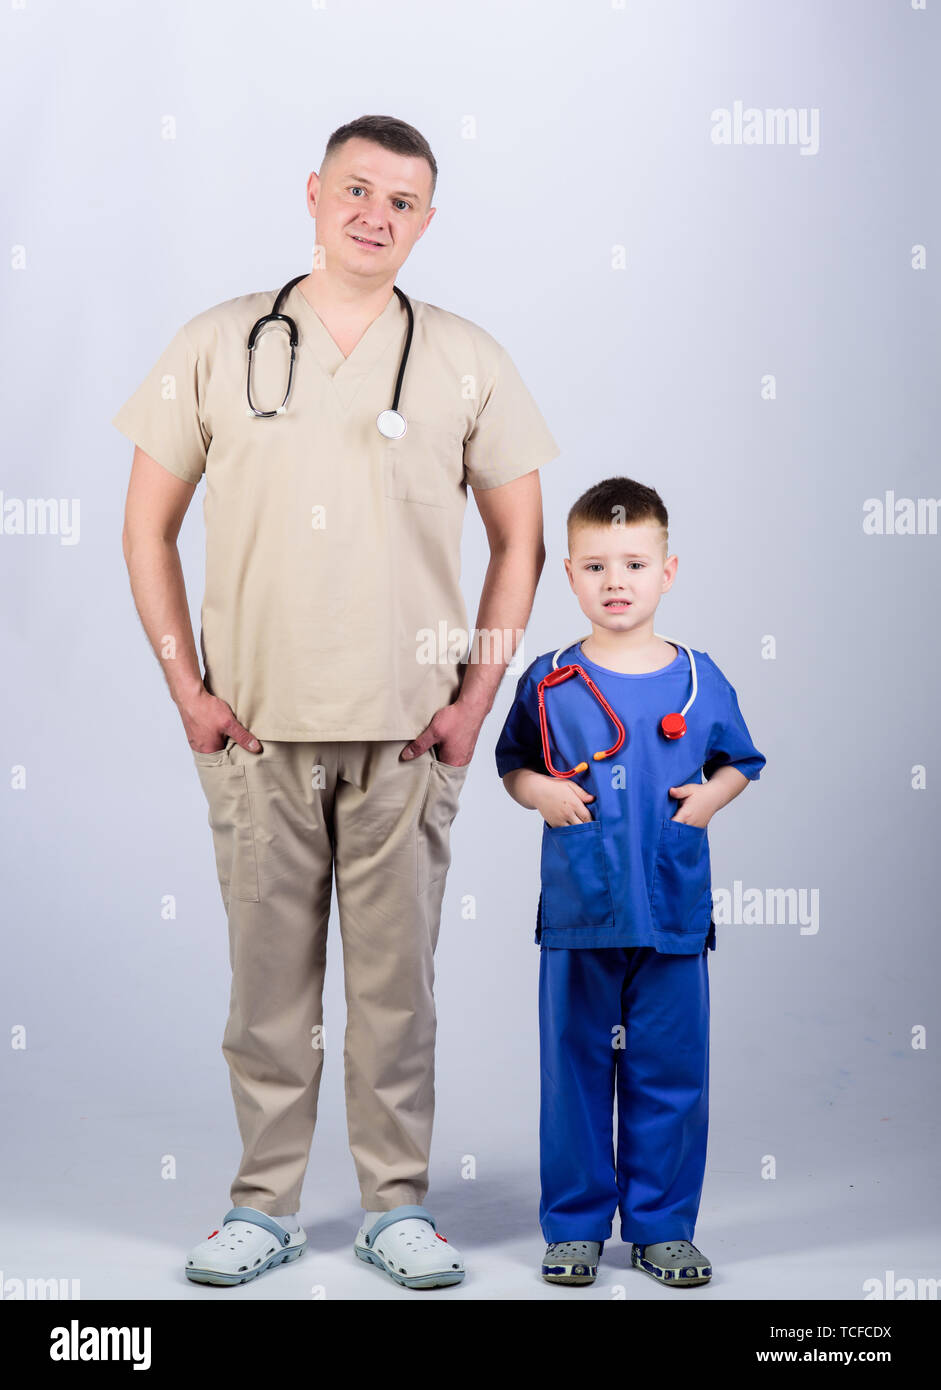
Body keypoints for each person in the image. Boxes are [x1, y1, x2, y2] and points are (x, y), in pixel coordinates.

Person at [113, 114, 559, 1289]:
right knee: (265, 986)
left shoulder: (465, 356)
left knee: (392, 991)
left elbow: (522, 541)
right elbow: (143, 527)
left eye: (401, 200)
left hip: (410, 736)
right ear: (312, 193)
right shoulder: (217, 342)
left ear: (424, 220)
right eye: (356, 189)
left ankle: (393, 1205)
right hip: (254, 727)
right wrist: (185, 690)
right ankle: (261, 1204)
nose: (375, 214)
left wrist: (475, 698)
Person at [494, 476, 766, 1288]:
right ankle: (575, 1224)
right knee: (574, 1069)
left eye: (634, 564)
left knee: (670, 1071)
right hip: (581, 917)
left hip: (673, 913)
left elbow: (740, 762)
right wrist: (539, 792)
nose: (616, 582)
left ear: (667, 571)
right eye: (595, 566)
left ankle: (661, 1226)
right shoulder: (547, 681)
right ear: (568, 575)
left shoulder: (699, 677)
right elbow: (513, 763)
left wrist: (706, 803)